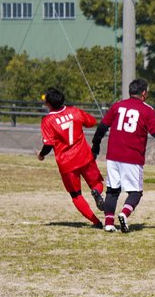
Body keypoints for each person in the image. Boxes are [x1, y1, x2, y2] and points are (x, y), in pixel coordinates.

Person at [91, 78, 155, 233]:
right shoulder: (147, 110)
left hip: (113, 155)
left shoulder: (117, 106)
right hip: (132, 156)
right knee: (136, 192)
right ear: (144, 93)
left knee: (112, 190)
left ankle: (109, 223)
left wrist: (95, 146)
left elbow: (102, 127)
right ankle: (124, 214)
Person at [37, 87, 106, 228]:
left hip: (66, 163)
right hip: (85, 156)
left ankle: (96, 222)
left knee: (76, 195)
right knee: (97, 183)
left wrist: (41, 155)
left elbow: (48, 144)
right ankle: (96, 192)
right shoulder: (75, 111)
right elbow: (92, 122)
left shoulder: (47, 121)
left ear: (48, 104)